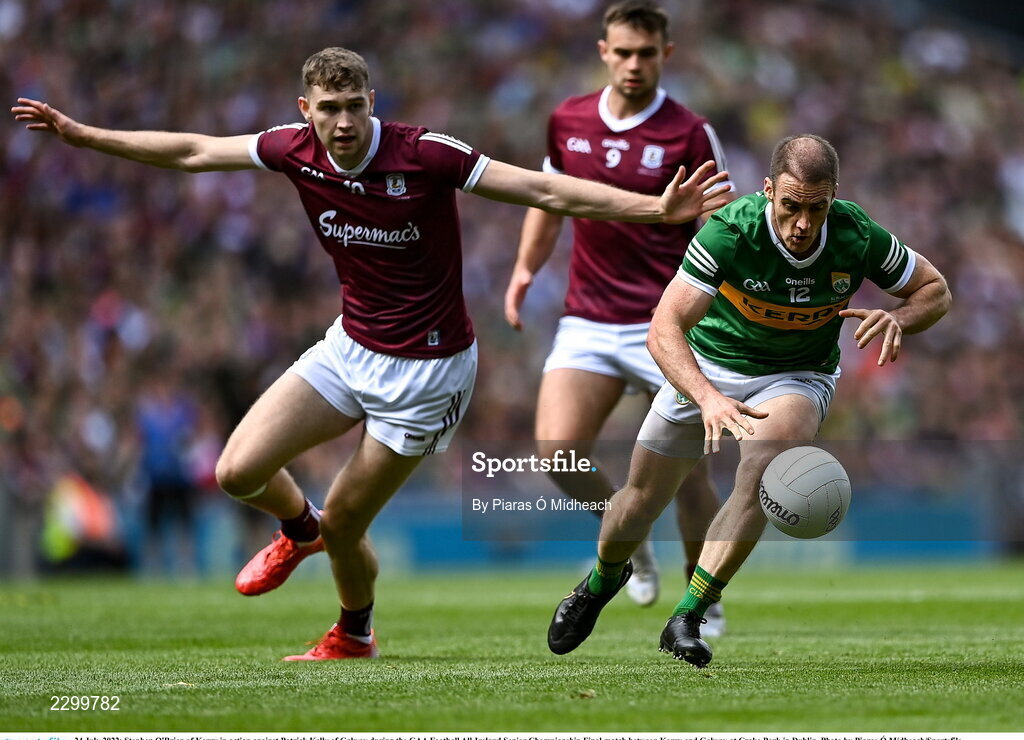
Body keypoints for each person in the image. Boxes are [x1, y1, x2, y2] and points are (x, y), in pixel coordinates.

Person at [12, 46, 731, 661]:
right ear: (306, 109)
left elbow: (541, 187)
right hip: (349, 346)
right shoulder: (291, 148)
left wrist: (652, 209)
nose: (344, 122)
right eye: (328, 108)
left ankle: (354, 631)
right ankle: (298, 530)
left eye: (354, 104)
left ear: (371, 102)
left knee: (349, 524)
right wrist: (85, 136)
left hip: (430, 371)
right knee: (236, 470)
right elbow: (196, 150)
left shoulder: (424, 153)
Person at [546, 134, 951, 666]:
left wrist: (897, 317)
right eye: (790, 206)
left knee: (766, 465)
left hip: (796, 374)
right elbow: (663, 328)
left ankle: (689, 614)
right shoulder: (730, 231)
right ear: (767, 192)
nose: (803, 224)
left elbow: (935, 290)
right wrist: (708, 396)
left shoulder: (857, 235)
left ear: (833, 197)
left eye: (816, 207)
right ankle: (601, 581)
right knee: (639, 501)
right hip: (708, 365)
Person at [503, 0, 734, 621]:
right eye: (623, 52)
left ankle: (700, 601)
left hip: (670, 326)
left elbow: (720, 228)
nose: (634, 64)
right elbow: (549, 200)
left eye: (646, 53)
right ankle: (626, 545)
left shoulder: (689, 132)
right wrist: (526, 269)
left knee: (687, 477)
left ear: (667, 55)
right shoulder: (567, 119)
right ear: (603, 52)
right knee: (556, 453)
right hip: (589, 318)